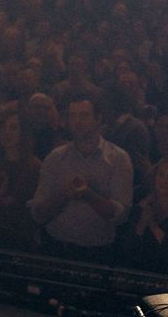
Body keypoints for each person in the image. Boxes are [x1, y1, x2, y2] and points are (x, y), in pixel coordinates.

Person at [28, 96, 134, 262]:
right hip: (56, 249)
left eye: (84, 116)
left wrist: (88, 195)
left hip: (98, 253)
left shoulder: (118, 159)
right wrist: (65, 195)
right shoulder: (55, 158)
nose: (77, 122)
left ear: (98, 118)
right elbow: (38, 213)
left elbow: (121, 216)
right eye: (73, 116)